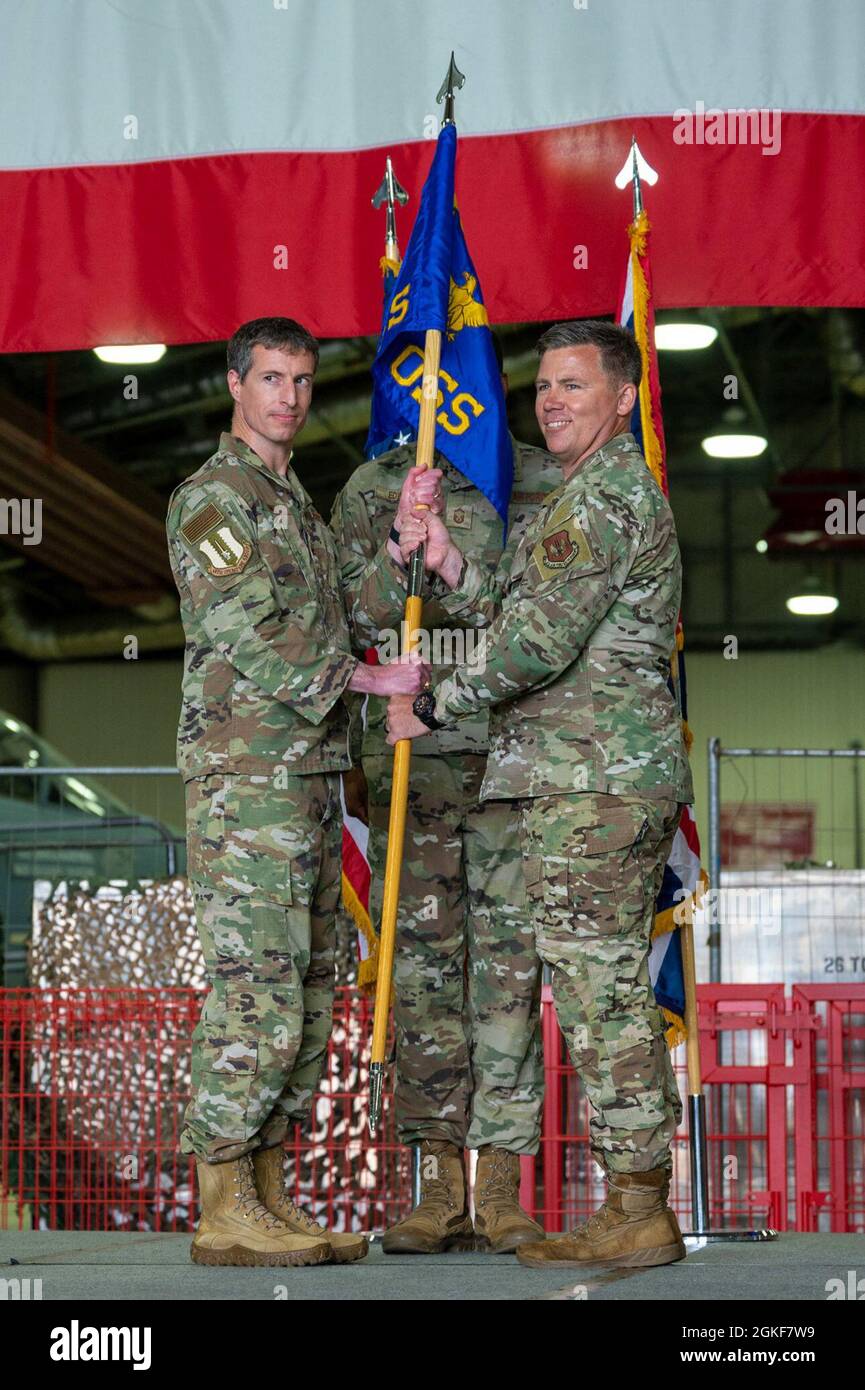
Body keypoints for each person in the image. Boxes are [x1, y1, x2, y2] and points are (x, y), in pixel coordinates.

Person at [386, 320, 694, 1269]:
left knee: (599, 990)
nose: (551, 402)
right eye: (543, 387)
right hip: (585, 776)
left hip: (595, 778)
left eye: (573, 385)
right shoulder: (579, 498)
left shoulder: (600, 500)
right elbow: (526, 611)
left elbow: (532, 649)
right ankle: (634, 1199)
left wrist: (432, 706)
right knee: (596, 982)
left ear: (623, 396)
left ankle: (639, 1207)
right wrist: (446, 565)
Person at [166, 316, 428, 1267]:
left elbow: (340, 612)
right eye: (271, 378)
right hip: (248, 783)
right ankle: (224, 1201)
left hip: (312, 776)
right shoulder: (211, 500)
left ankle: (266, 1195)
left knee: (309, 993)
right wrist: (364, 682)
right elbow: (250, 630)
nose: (289, 396)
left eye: (304, 380)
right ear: (235, 385)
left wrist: (397, 550)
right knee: (256, 990)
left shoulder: (293, 503)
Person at [331, 338, 561, 1253]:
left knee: (508, 977)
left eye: (455, 369)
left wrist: (458, 568)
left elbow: (548, 618)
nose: (438, 388)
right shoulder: (365, 491)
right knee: (424, 979)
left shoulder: (534, 484)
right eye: (419, 374)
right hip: (409, 773)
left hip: (508, 767)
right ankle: (434, 1187)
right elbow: (342, 615)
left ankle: (500, 1186)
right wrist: (399, 543)